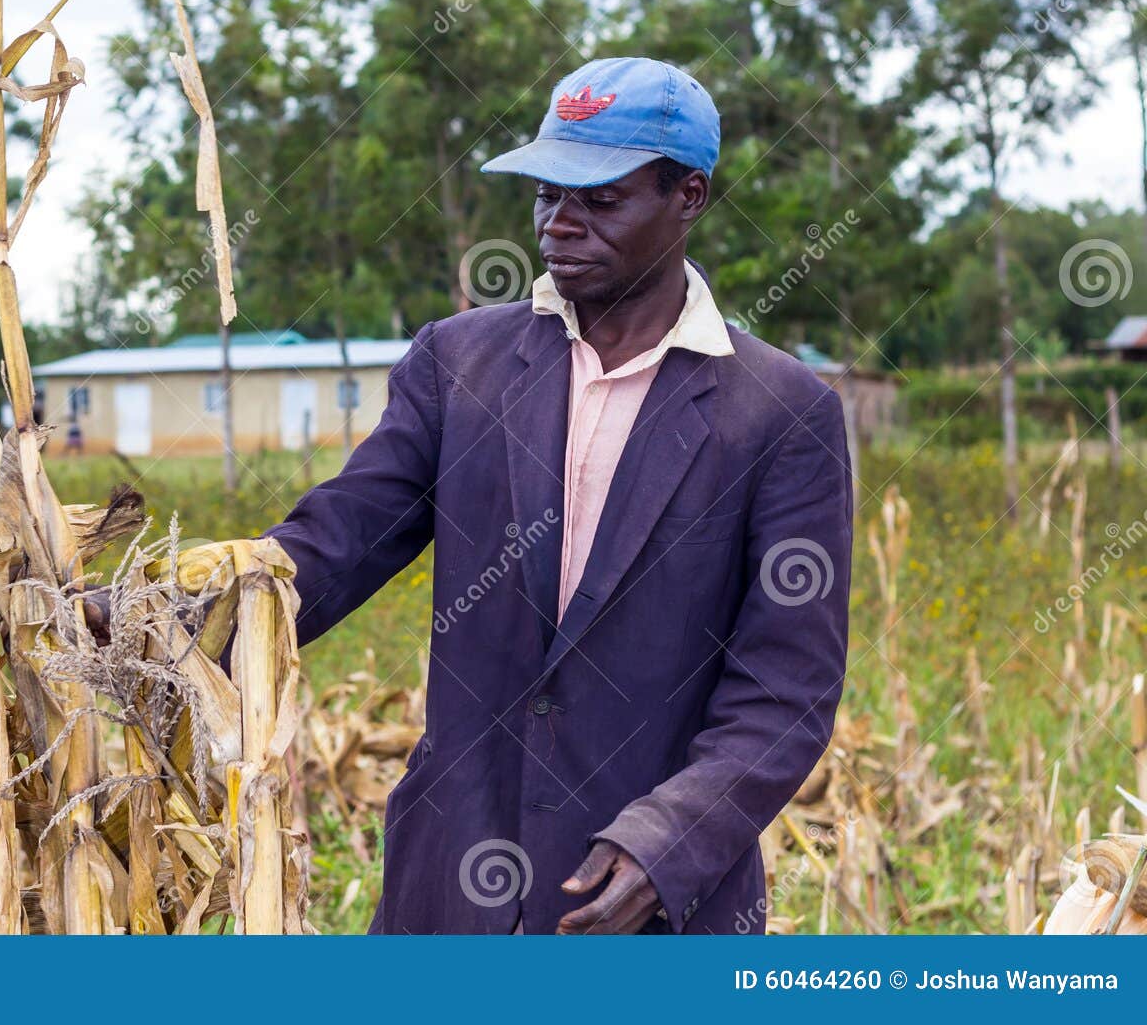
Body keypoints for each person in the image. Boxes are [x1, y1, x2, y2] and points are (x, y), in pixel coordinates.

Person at [262, 57, 853, 934]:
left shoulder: (778, 412)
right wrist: (173, 606)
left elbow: (787, 686)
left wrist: (666, 843)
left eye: (600, 200)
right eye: (546, 195)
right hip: (452, 882)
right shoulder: (459, 364)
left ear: (687, 197)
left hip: (647, 911)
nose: (559, 224)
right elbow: (339, 536)